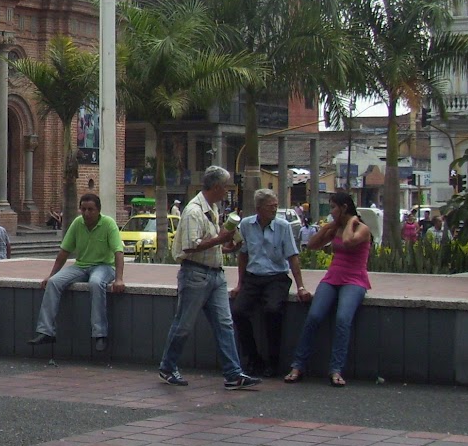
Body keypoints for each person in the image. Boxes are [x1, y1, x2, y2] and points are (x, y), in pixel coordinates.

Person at [157, 166, 262, 390]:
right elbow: (190, 245)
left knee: (224, 323)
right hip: (195, 273)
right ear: (216, 187)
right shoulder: (194, 211)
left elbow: (208, 244)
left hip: (215, 273)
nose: (227, 191)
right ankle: (167, 366)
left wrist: (226, 246)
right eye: (225, 187)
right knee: (184, 324)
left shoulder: (211, 208)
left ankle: (233, 373)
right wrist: (220, 239)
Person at [285, 191, 373, 387]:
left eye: (333, 207)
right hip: (333, 278)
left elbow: (349, 242)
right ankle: (298, 365)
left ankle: (336, 369)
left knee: (343, 319)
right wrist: (331, 226)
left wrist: (350, 222)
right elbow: (313, 245)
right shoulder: (335, 228)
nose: (331, 211)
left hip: (355, 280)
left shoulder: (362, 229)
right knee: (314, 316)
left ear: (343, 208)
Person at [29, 192, 126, 354]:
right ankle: (45, 331)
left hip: (104, 266)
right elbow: (64, 252)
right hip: (81, 265)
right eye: (83, 209)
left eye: (90, 209)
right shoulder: (77, 223)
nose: (86, 213)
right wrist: (52, 274)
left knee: (96, 283)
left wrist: (119, 279)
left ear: (98, 210)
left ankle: (100, 334)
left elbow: (118, 252)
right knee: (54, 283)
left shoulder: (109, 224)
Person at [231, 189, 311, 379]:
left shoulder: (283, 226)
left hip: (276, 277)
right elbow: (243, 255)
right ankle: (253, 358)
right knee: (239, 311)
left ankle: (273, 361)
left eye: (276, 206)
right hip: (253, 276)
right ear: (259, 208)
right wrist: (240, 284)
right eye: (270, 206)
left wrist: (300, 286)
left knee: (273, 311)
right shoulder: (246, 225)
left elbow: (292, 257)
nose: (274, 209)